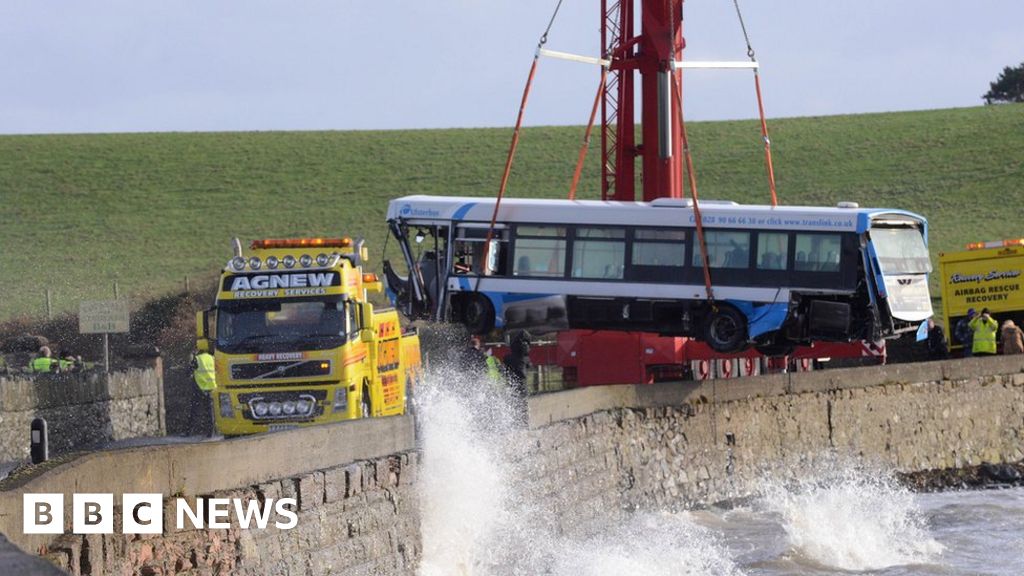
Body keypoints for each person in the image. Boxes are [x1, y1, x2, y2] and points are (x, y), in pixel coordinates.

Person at [190, 348, 217, 437]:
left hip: (201, 388)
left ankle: (190, 431)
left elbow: (189, 370)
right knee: (210, 411)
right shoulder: (212, 358)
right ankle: (212, 432)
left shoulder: (197, 359)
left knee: (195, 410)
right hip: (212, 387)